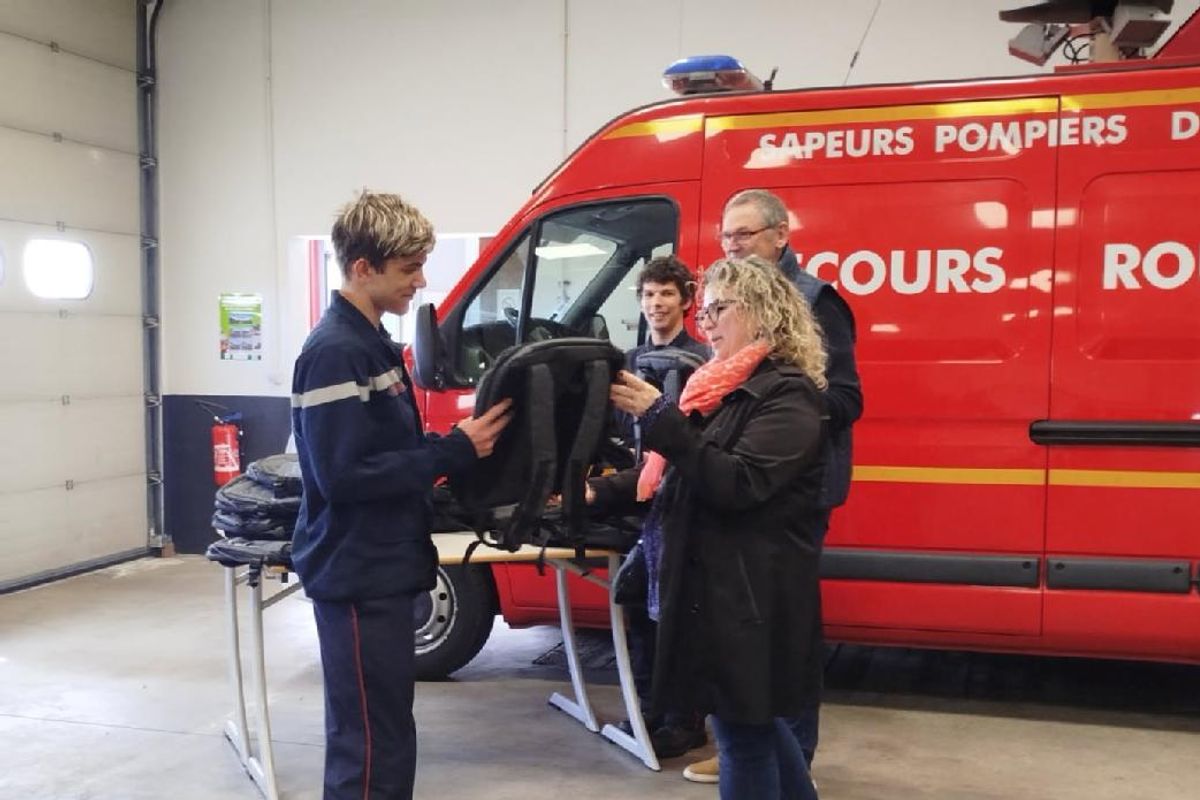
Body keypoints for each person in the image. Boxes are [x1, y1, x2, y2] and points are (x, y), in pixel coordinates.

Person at [291, 191, 512, 800]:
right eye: (409, 267)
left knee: (386, 730)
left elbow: (377, 453)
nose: (421, 280)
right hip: (358, 572)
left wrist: (450, 452)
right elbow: (344, 475)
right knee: (367, 741)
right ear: (363, 268)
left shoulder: (369, 342)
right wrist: (452, 452)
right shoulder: (336, 351)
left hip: (381, 565)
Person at [591, 256, 827, 800]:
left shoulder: (789, 396)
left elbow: (736, 483)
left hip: (752, 599)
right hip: (721, 591)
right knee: (754, 724)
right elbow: (678, 472)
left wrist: (660, 419)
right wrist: (598, 490)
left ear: (764, 313)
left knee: (742, 735)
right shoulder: (716, 388)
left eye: (721, 309)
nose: (707, 322)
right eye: (708, 310)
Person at [684, 188, 864, 784]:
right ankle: (766, 749)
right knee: (750, 701)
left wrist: (780, 422)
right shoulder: (724, 342)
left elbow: (844, 397)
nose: (734, 244)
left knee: (775, 658)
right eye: (727, 237)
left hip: (788, 493)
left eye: (745, 234)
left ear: (781, 235)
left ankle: (791, 757)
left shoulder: (814, 302)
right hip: (754, 486)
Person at [615, 255, 710, 758]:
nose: (657, 304)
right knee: (637, 603)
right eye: (649, 294)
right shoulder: (629, 363)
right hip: (639, 501)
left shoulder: (703, 360)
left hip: (680, 503)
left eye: (667, 294)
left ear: (687, 301)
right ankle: (651, 707)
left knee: (676, 612)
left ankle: (684, 719)